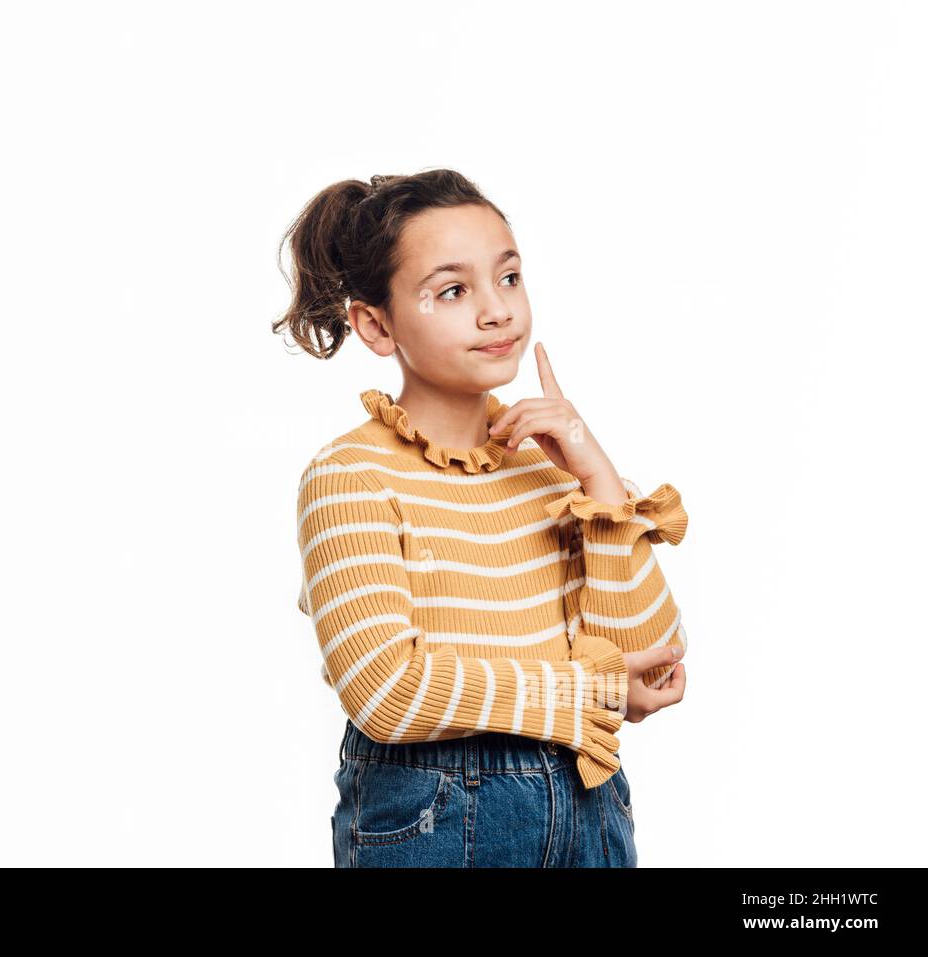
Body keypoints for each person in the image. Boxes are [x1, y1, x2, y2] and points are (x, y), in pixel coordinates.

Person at [275, 169, 690, 867]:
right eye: (453, 291)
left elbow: (652, 671)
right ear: (376, 324)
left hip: (589, 808)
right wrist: (583, 689)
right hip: (438, 815)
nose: (497, 311)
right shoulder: (351, 477)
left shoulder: (552, 468)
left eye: (509, 277)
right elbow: (386, 691)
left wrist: (598, 478)